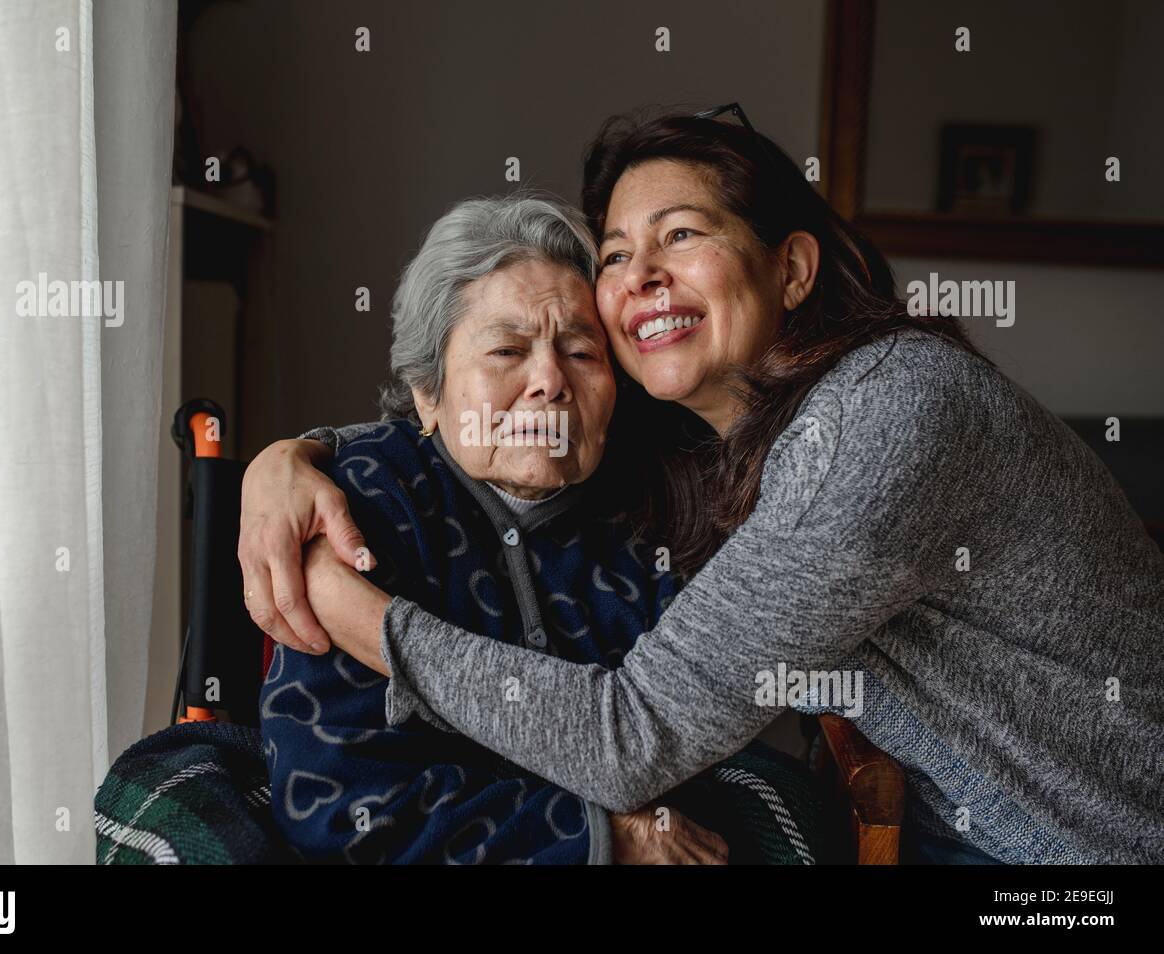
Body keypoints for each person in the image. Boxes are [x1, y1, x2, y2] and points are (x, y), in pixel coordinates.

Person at [243, 111, 1164, 864]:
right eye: (614, 254)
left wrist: (345, 603)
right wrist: (290, 457)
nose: (641, 276)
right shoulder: (714, 438)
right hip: (971, 816)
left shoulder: (886, 418)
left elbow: (629, 734)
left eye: (680, 235)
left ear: (792, 269)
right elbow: (478, 424)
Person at [260, 193, 763, 864]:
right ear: (428, 393)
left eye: (582, 354)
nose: (549, 380)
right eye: (506, 351)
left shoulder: (662, 514)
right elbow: (339, 804)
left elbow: (690, 761)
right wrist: (601, 836)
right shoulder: (361, 506)